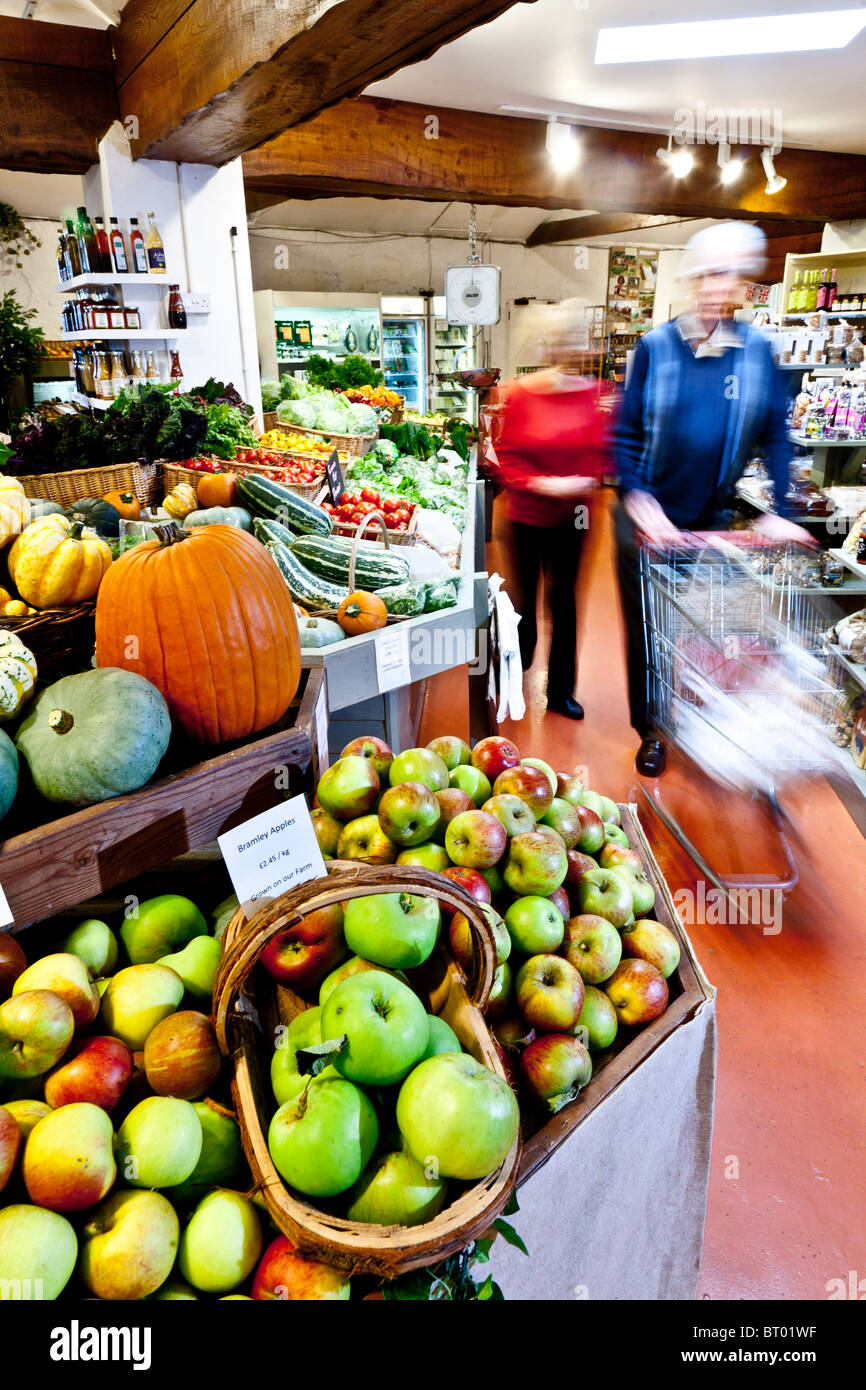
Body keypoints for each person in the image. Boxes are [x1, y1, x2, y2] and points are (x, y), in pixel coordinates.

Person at [614, 221, 813, 777]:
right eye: (711, 273)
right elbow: (624, 434)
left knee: (701, 624)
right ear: (695, 278)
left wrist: (780, 512)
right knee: (649, 627)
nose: (720, 287)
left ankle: (703, 715)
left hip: (711, 519)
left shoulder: (756, 353)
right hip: (647, 521)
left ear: (745, 286)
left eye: (733, 276)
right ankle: (651, 728)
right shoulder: (655, 348)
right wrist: (635, 496)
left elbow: (776, 433)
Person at [495, 300, 609, 719]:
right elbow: (506, 456)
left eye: (579, 339)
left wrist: (588, 479)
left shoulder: (594, 395)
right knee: (521, 598)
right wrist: (543, 483)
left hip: (574, 521)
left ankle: (560, 690)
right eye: (565, 339)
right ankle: (517, 665)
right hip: (525, 516)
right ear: (550, 344)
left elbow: (603, 452)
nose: (573, 347)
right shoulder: (521, 394)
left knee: (565, 603)